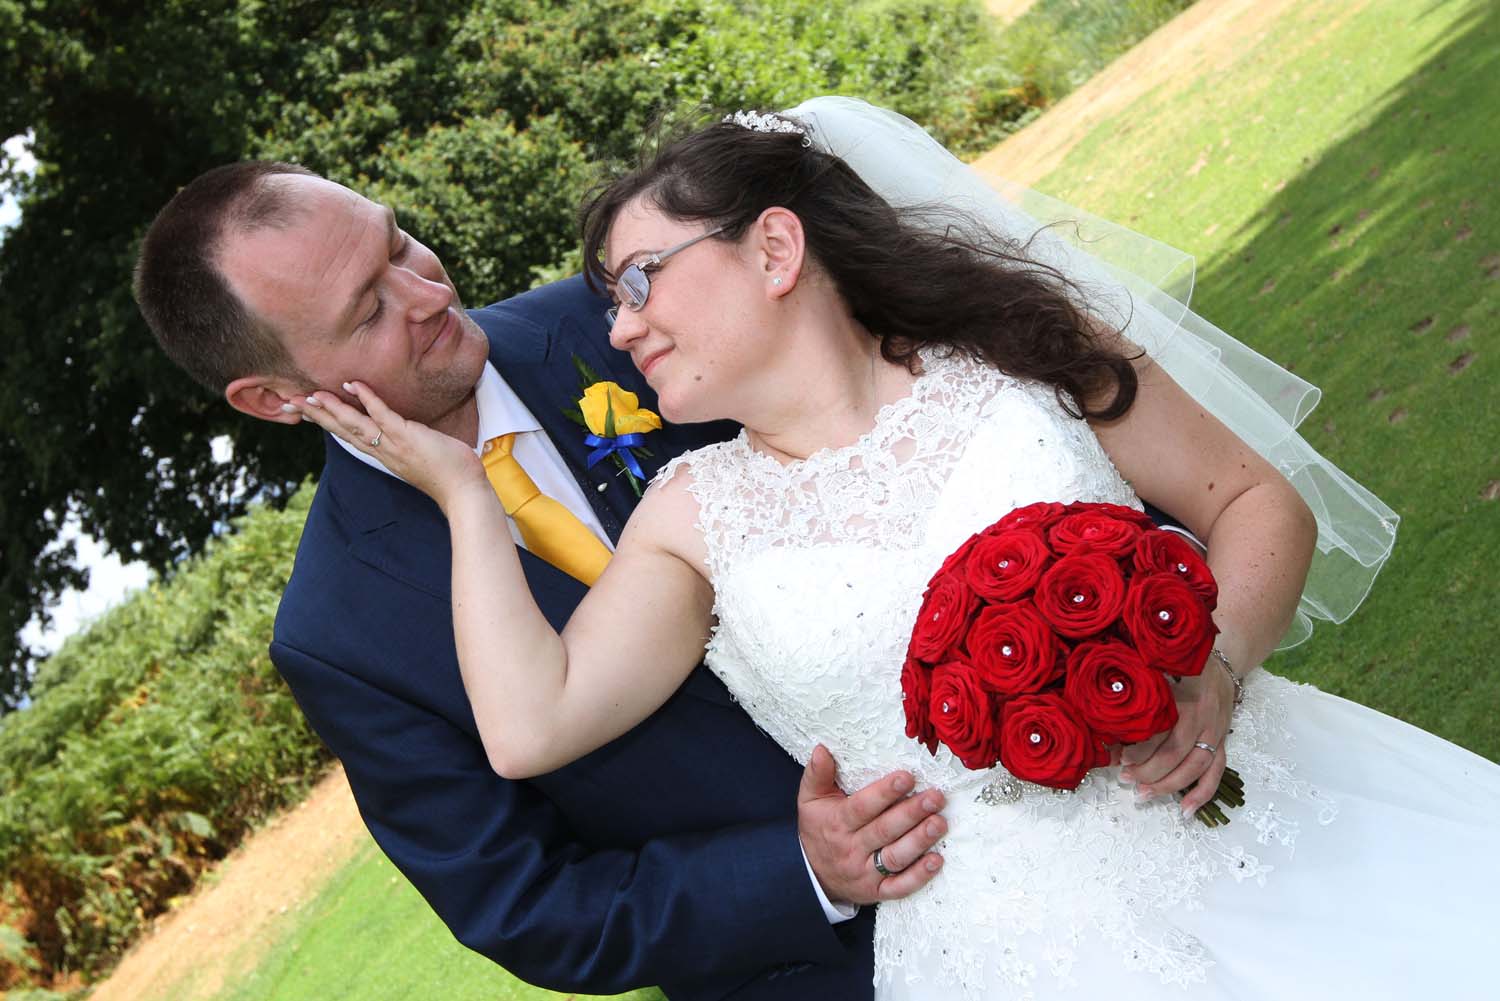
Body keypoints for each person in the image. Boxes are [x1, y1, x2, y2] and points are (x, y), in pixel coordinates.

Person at [293, 98, 1500, 1000]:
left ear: (775, 251)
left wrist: (1215, 670)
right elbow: (527, 726)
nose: (617, 328)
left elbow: (1252, 498)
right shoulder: (692, 513)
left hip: (1260, 813)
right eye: (612, 297)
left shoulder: (1020, 347)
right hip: (1008, 947)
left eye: (643, 280)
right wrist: (462, 494)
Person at [132, 159, 964, 1000]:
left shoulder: (626, 317)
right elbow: (529, 904)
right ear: (274, 397)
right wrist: (799, 870)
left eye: (398, 243)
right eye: (369, 310)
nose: (427, 293)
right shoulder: (337, 631)